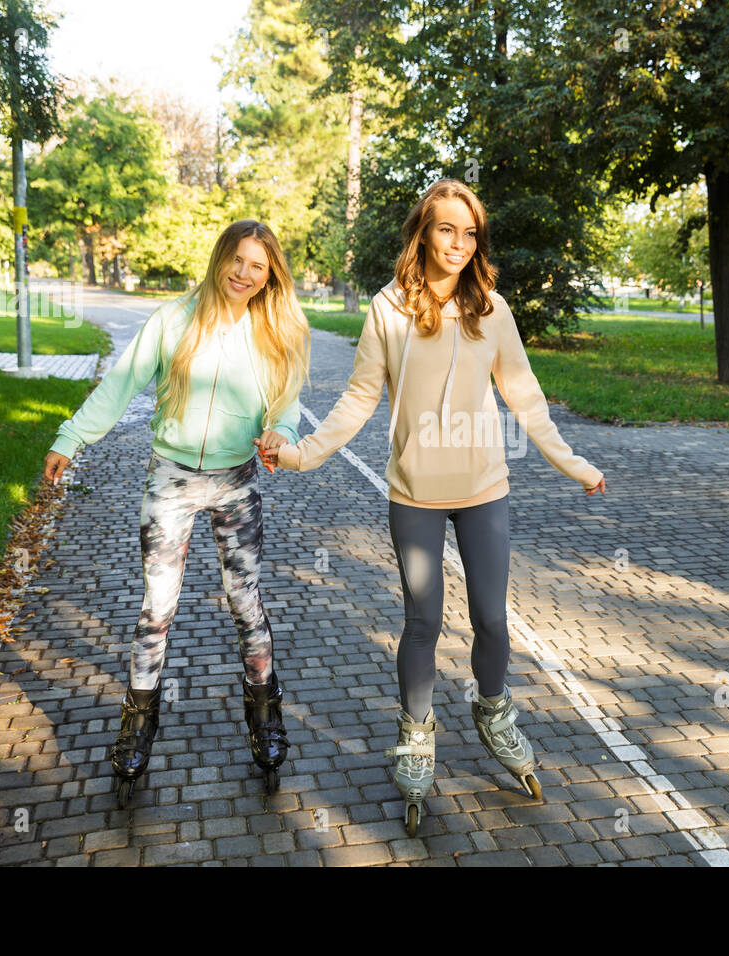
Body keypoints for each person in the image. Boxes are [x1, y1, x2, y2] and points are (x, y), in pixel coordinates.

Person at [266, 178, 605, 834]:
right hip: (415, 492)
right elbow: (360, 399)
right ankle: (417, 736)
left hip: (484, 488)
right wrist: (300, 453)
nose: (458, 242)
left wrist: (575, 463)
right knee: (423, 623)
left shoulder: (492, 309)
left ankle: (494, 712)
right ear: (422, 231)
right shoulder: (387, 310)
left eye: (469, 231)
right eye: (446, 228)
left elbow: (526, 398)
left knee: (491, 621)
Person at [43, 220, 310, 804]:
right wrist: (72, 437)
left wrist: (278, 434)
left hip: (237, 481)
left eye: (257, 266)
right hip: (171, 480)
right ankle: (138, 726)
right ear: (220, 259)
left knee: (246, 603)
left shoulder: (276, 333)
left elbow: (287, 408)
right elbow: (119, 385)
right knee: (156, 609)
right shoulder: (173, 321)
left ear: (270, 276)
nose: (244, 273)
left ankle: (265, 717)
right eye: (236, 260)